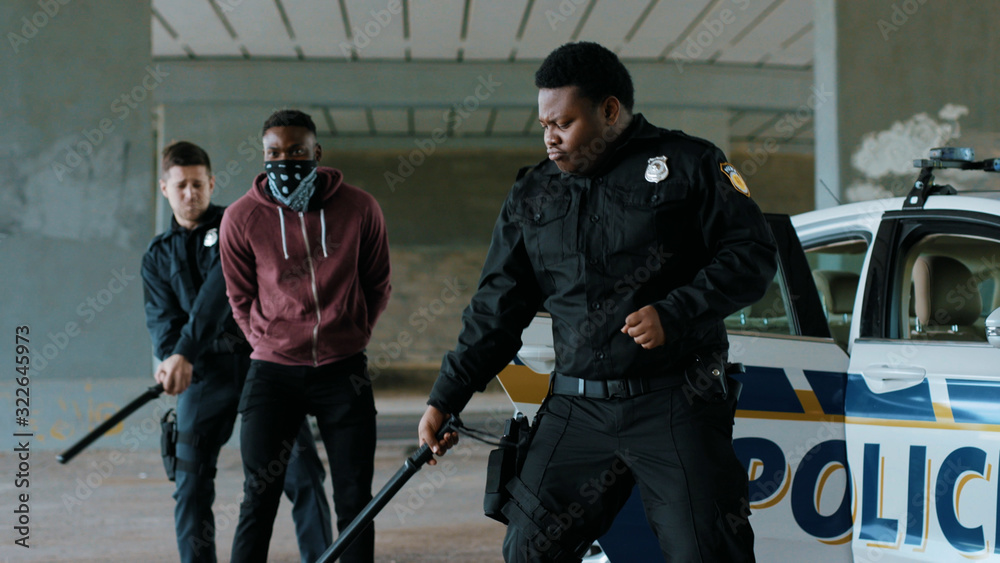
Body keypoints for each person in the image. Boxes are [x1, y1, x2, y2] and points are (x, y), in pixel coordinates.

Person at [418, 42, 777, 562]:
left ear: (609, 111)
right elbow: (498, 306)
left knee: (707, 552)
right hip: (577, 409)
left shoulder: (689, 163)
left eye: (563, 123)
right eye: (543, 125)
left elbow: (752, 256)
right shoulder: (534, 193)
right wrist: (446, 396)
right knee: (528, 550)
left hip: (674, 403)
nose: (550, 139)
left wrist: (675, 312)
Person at [142, 141, 333, 563]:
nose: (190, 193)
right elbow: (161, 320)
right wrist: (171, 358)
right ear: (164, 189)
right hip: (201, 377)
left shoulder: (239, 224)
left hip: (261, 366)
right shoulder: (156, 257)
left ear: (211, 183)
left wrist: (183, 351)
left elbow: (219, 293)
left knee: (302, 473)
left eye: (197, 184)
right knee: (189, 484)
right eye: (180, 186)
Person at [220, 110, 392, 563]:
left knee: (355, 500)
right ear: (263, 156)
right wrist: (265, 341)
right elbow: (239, 297)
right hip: (273, 374)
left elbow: (378, 283)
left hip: (343, 373)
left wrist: (354, 334)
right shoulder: (241, 218)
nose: (285, 160)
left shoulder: (359, 208)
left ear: (316, 153)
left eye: (296, 151)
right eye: (274, 153)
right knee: (259, 497)